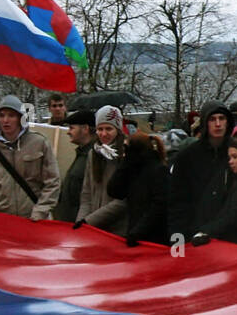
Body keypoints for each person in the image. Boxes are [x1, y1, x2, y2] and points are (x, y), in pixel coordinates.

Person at [0, 95, 60, 220]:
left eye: (11, 115)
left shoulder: (39, 142)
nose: (5, 120)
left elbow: (53, 181)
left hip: (33, 218)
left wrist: (41, 211)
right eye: (2, 115)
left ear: (20, 118)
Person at [169, 100, 231, 241]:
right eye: (212, 119)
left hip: (229, 232)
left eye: (221, 118)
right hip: (195, 232)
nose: (218, 124)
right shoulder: (187, 156)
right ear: (204, 123)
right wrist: (177, 241)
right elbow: (177, 202)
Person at [105, 132, 170, 246]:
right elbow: (114, 191)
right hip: (136, 234)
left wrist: (137, 232)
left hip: (154, 238)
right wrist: (125, 164)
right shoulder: (132, 169)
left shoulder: (158, 170)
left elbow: (159, 206)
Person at [74, 105, 128, 235]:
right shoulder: (93, 154)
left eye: (109, 129)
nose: (104, 134)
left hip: (117, 230)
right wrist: (80, 221)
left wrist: (90, 221)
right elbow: (86, 193)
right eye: (100, 129)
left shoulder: (126, 155)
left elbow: (124, 200)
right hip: (93, 229)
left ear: (118, 129)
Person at [53, 109, 97, 222]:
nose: (68, 132)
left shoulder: (94, 156)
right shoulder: (82, 154)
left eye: (72, 128)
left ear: (85, 129)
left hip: (80, 224)